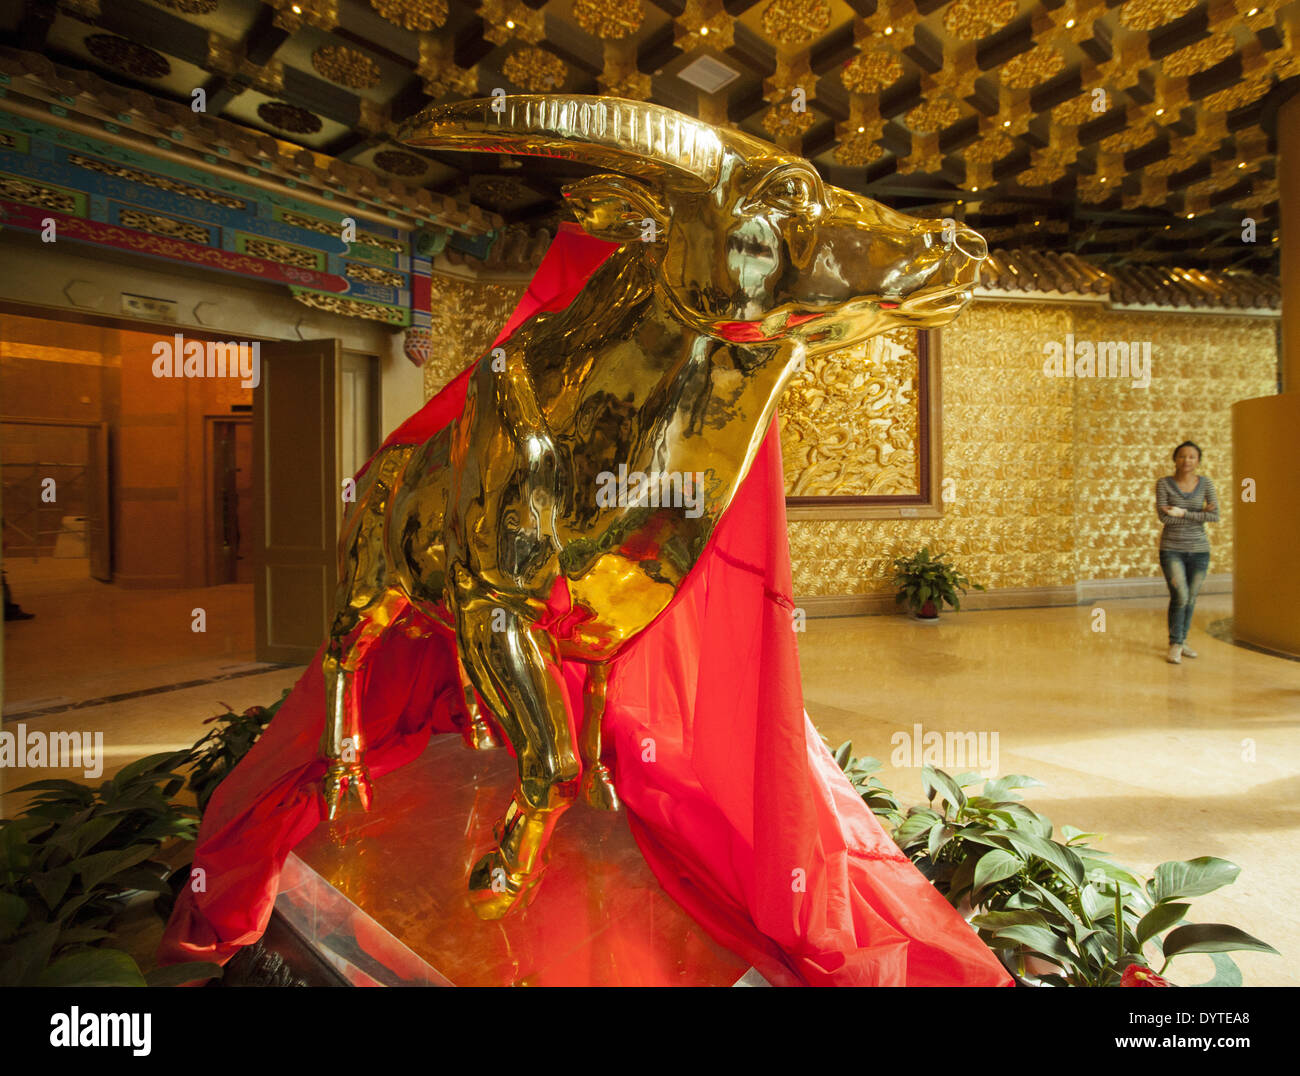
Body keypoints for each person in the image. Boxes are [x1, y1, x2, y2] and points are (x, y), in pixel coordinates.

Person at [1156, 441, 1218, 664]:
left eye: (1192, 457)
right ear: (1175, 459)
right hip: (1172, 548)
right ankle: (1175, 643)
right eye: (1182, 456)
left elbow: (1214, 515)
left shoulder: (1206, 484)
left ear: (1198, 460)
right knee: (1180, 596)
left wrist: (1183, 513)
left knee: (1190, 598)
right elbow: (1164, 517)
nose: (1187, 460)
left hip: (1200, 549)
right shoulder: (1164, 484)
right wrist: (1199, 511)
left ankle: (1182, 641)